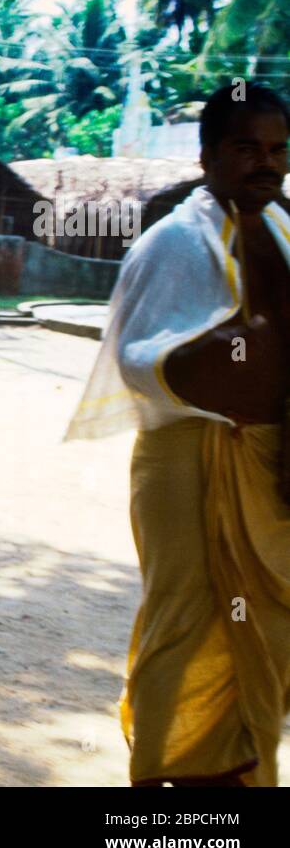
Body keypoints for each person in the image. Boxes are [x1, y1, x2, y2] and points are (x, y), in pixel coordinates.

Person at [66, 82, 290, 785]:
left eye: (279, 149)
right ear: (207, 155)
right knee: (185, 622)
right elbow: (141, 359)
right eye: (246, 148)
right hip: (187, 459)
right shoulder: (173, 242)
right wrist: (235, 351)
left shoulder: (286, 231)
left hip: (267, 464)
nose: (267, 164)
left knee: (268, 628)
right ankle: (170, 788)